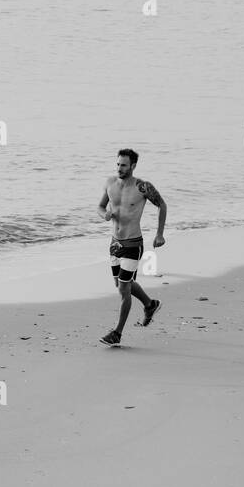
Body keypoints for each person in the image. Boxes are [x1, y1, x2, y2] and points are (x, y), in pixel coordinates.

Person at [97, 148, 166, 346]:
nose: (119, 168)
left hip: (133, 243)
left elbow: (162, 205)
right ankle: (150, 304)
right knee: (120, 285)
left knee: (123, 289)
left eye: (124, 165)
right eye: (118, 164)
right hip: (115, 243)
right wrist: (105, 215)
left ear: (133, 166)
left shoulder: (142, 187)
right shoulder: (110, 183)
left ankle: (117, 333)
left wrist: (159, 233)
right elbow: (100, 207)